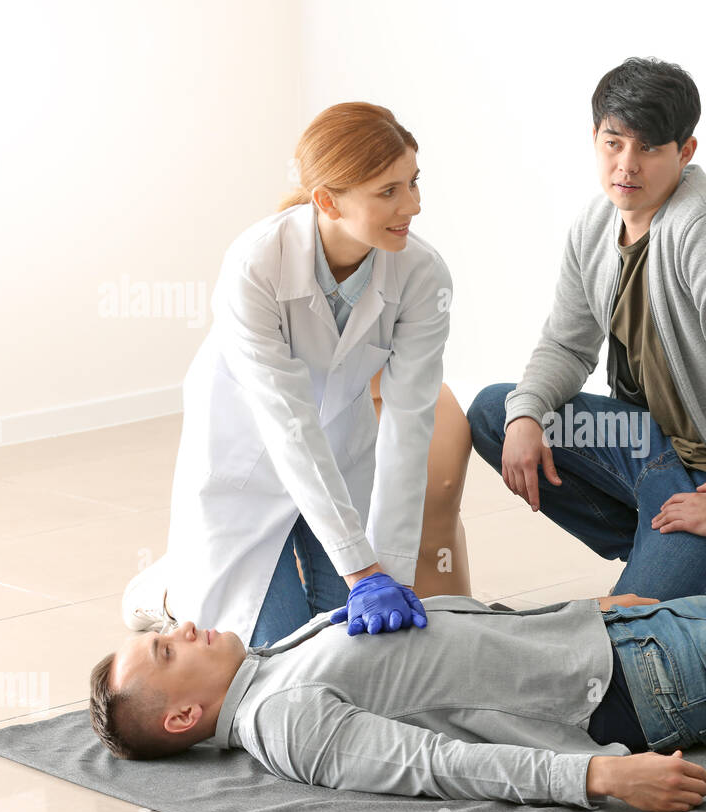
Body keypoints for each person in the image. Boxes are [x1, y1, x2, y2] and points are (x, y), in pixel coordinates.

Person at [467, 57, 706, 601]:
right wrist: (526, 416)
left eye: (649, 148)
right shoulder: (595, 226)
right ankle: (660, 542)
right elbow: (567, 346)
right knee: (497, 411)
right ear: (594, 137)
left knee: (630, 631)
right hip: (654, 448)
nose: (627, 164)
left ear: (685, 152)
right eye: (614, 143)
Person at [121, 102, 469, 649]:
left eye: (413, 183)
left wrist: (393, 576)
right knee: (270, 653)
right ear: (327, 200)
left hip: (340, 452)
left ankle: (310, 571)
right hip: (247, 458)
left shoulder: (424, 275)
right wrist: (360, 572)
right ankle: (166, 591)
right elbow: (287, 424)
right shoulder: (255, 264)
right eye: (389, 192)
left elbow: (408, 424)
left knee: (351, 646)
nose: (414, 205)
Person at [90, 585, 706, 812]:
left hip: (619, 634)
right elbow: (438, 764)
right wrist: (601, 779)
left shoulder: (270, 665)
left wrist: (583, 610)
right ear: (183, 717)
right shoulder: (282, 720)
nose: (185, 626)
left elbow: (458, 643)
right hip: (637, 689)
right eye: (167, 648)